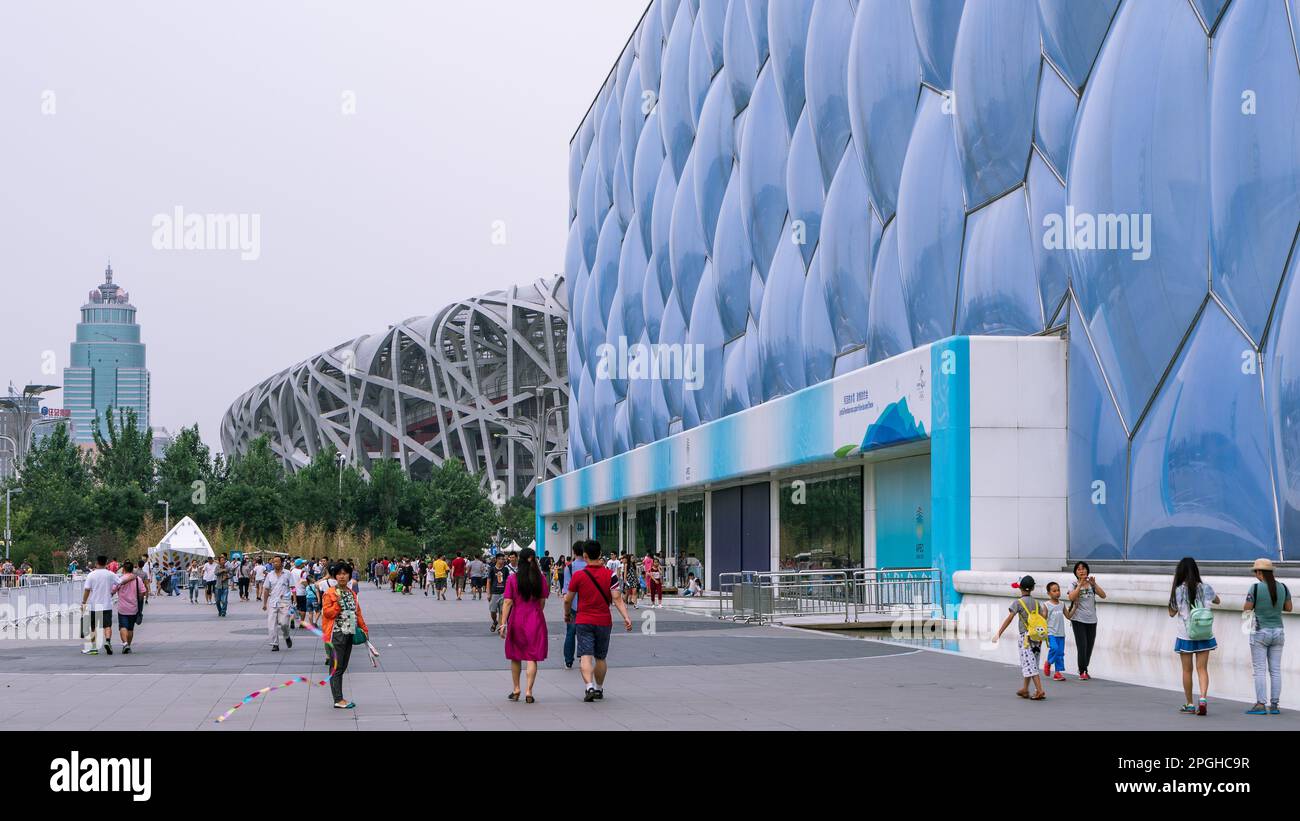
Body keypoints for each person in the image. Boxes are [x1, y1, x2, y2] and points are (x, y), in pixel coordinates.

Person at [563, 540, 633, 702]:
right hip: (603, 621)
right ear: (600, 554)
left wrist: (567, 615)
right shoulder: (610, 574)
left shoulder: (578, 575)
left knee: (586, 655)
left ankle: (589, 686)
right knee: (600, 657)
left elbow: (568, 599)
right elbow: (617, 599)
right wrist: (626, 617)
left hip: (583, 620)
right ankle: (599, 689)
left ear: (585, 555)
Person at [1168, 557, 1220, 716]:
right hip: (1204, 633)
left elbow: (1171, 613)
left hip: (1186, 636)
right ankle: (1203, 698)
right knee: (1202, 669)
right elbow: (1217, 601)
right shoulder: (1206, 588)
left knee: (1187, 670)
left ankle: (1190, 703)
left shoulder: (1178, 590)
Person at [499, 547, 549, 703]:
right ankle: (529, 691)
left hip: (517, 619)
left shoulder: (513, 579)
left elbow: (507, 602)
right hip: (535, 618)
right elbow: (542, 602)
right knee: (531, 657)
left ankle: (516, 689)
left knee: (516, 656)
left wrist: (503, 624)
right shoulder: (540, 578)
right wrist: (535, 611)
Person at [1243, 557, 1291, 715]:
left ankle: (1260, 704)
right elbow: (1289, 608)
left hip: (1260, 632)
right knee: (1275, 670)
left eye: (1255, 572)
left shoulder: (1255, 588)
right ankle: (1275, 705)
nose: (1255, 575)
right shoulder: (1283, 587)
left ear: (1259, 572)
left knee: (1260, 670)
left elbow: (1247, 608)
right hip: (1278, 632)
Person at [321, 561, 369, 710]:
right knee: (336, 667)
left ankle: (339, 697)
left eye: (345, 573)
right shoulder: (330, 593)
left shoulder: (351, 592)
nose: (342, 576)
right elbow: (327, 613)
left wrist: (364, 629)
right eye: (339, 574)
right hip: (336, 633)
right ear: (335, 576)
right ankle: (338, 699)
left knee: (343, 666)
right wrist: (338, 604)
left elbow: (357, 613)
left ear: (349, 575)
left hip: (349, 632)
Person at [992, 575, 1047, 700]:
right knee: (1030, 662)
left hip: (1026, 638)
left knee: (1030, 664)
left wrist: (999, 633)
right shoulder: (1037, 603)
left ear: (1020, 588)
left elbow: (1009, 618)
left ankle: (1039, 690)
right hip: (1037, 639)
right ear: (1033, 588)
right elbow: (1043, 618)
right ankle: (1025, 689)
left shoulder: (1018, 602)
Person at [1066, 561, 1105, 681]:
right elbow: (1071, 597)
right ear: (1075, 572)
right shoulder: (1073, 584)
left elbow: (1103, 595)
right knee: (1082, 645)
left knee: (1089, 646)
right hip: (1078, 619)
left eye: (1083, 569)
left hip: (1092, 619)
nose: (1081, 571)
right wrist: (1080, 585)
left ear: (1087, 570)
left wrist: (1094, 584)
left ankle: (1084, 667)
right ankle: (1083, 670)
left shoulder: (1091, 584)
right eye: (1078, 569)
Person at [80, 556, 118, 655]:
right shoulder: (111, 574)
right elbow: (120, 582)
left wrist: (83, 602)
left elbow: (87, 589)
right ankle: (108, 641)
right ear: (106, 563)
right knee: (107, 625)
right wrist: (113, 591)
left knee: (93, 627)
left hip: (94, 604)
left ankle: (93, 648)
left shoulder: (91, 575)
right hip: (107, 604)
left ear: (96, 563)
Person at [112, 561, 148, 653]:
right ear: (132, 569)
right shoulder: (137, 579)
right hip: (133, 607)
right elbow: (143, 591)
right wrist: (139, 598)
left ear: (123, 569)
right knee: (130, 628)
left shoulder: (120, 579)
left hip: (122, 608)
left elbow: (112, 590)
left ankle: (125, 644)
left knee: (123, 626)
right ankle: (128, 645)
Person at [561, 542, 587, 668]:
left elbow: (566, 592)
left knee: (570, 633)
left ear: (573, 552)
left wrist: (566, 610)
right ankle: (584, 657)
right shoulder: (590, 567)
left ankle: (568, 660)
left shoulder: (569, 568)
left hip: (573, 606)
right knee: (586, 633)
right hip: (588, 606)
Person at [262, 556, 295, 652]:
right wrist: (264, 603)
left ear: (282, 563)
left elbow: (292, 587)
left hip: (285, 602)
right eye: (273, 562)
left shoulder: (288, 574)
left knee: (284, 623)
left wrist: (294, 598)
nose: (274, 563)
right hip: (273, 602)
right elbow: (266, 589)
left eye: (277, 562)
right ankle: (275, 644)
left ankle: (287, 636)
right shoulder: (269, 575)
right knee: (271, 624)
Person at [1041, 581, 1071, 681]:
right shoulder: (1046, 604)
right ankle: (1048, 663)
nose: (1057, 592)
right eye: (1054, 591)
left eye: (1058, 590)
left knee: (1060, 653)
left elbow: (1068, 616)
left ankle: (1057, 673)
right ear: (1049, 593)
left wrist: (1075, 606)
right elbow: (1043, 618)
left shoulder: (1062, 604)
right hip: (1051, 633)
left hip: (1061, 634)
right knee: (1054, 648)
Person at [487, 554, 513, 633]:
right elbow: (488, 581)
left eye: (503, 559)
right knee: (493, 611)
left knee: (502, 611)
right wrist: (488, 593)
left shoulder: (505, 570)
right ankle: (495, 621)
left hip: (504, 593)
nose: (502, 561)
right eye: (500, 559)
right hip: (494, 593)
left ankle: (500, 627)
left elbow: (508, 581)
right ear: (496, 560)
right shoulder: (492, 569)